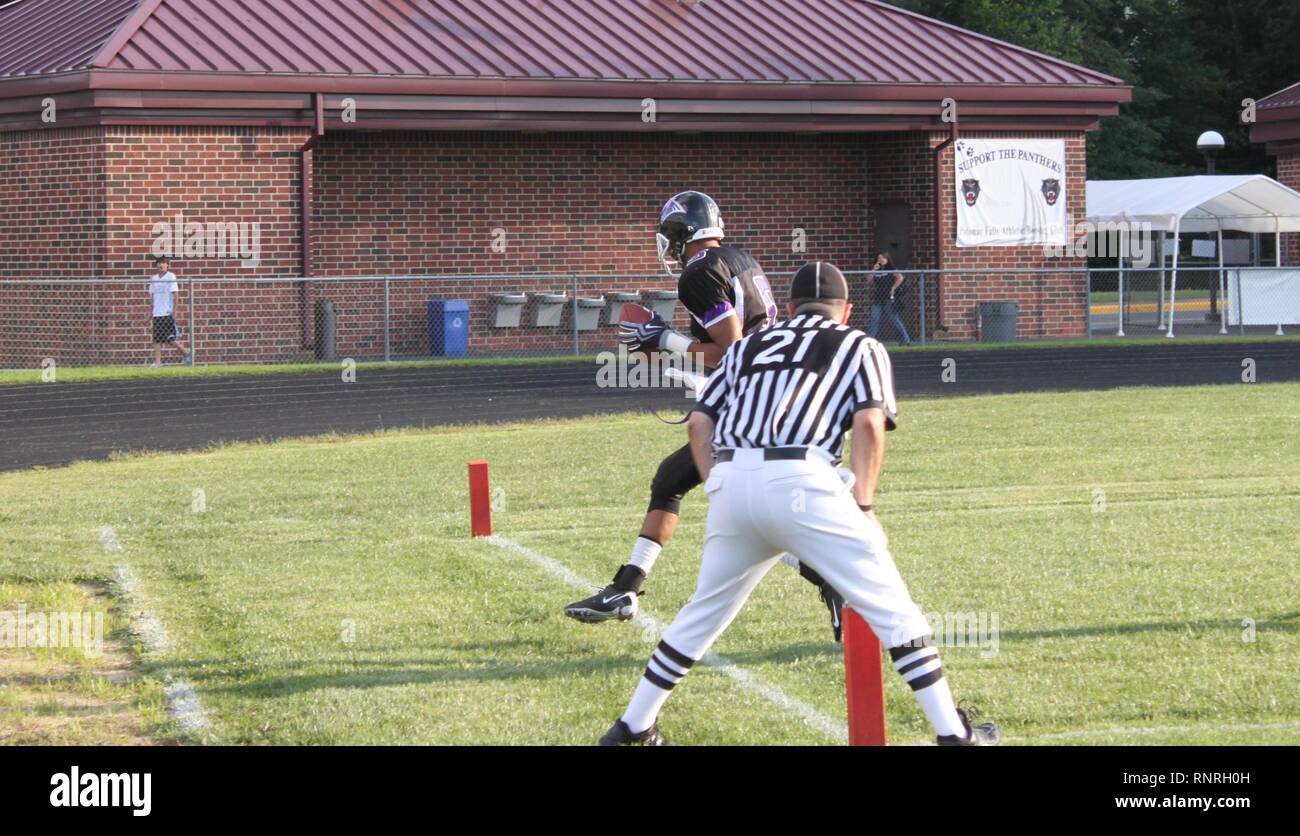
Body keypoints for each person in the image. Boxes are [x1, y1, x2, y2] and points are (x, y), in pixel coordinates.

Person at [600, 261, 1000, 746]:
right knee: (895, 611)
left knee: (701, 615)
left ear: (788, 308)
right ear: (847, 310)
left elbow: (698, 425)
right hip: (803, 476)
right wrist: (866, 507)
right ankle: (953, 734)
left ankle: (633, 726)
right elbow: (870, 425)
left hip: (734, 478)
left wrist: (719, 483)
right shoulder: (859, 343)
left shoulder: (749, 344)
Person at [563, 192, 846, 641]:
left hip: (748, 400)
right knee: (675, 480)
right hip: (767, 392)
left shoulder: (698, 272)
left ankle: (834, 582)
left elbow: (733, 348)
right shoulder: (741, 259)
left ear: (684, 233)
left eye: (672, 235)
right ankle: (625, 589)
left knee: (746, 510)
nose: (668, 245)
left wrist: (667, 340)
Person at [147, 257, 191, 367]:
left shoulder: (171, 276)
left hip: (167, 312)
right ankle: (158, 362)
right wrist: (151, 312)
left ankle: (187, 353)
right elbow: (151, 296)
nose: (161, 265)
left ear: (167, 265)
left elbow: (176, 295)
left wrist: (174, 311)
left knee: (170, 339)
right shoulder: (154, 278)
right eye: (159, 263)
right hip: (157, 313)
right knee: (156, 339)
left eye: (163, 263)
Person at [867, 251, 912, 345]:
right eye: (879, 258)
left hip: (888, 297)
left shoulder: (891, 269)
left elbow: (900, 277)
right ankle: (870, 341)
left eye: (883, 258)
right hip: (878, 297)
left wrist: (893, 287)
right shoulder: (877, 270)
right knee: (874, 319)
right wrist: (873, 270)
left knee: (893, 319)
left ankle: (905, 340)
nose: (881, 260)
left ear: (887, 259)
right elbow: (870, 281)